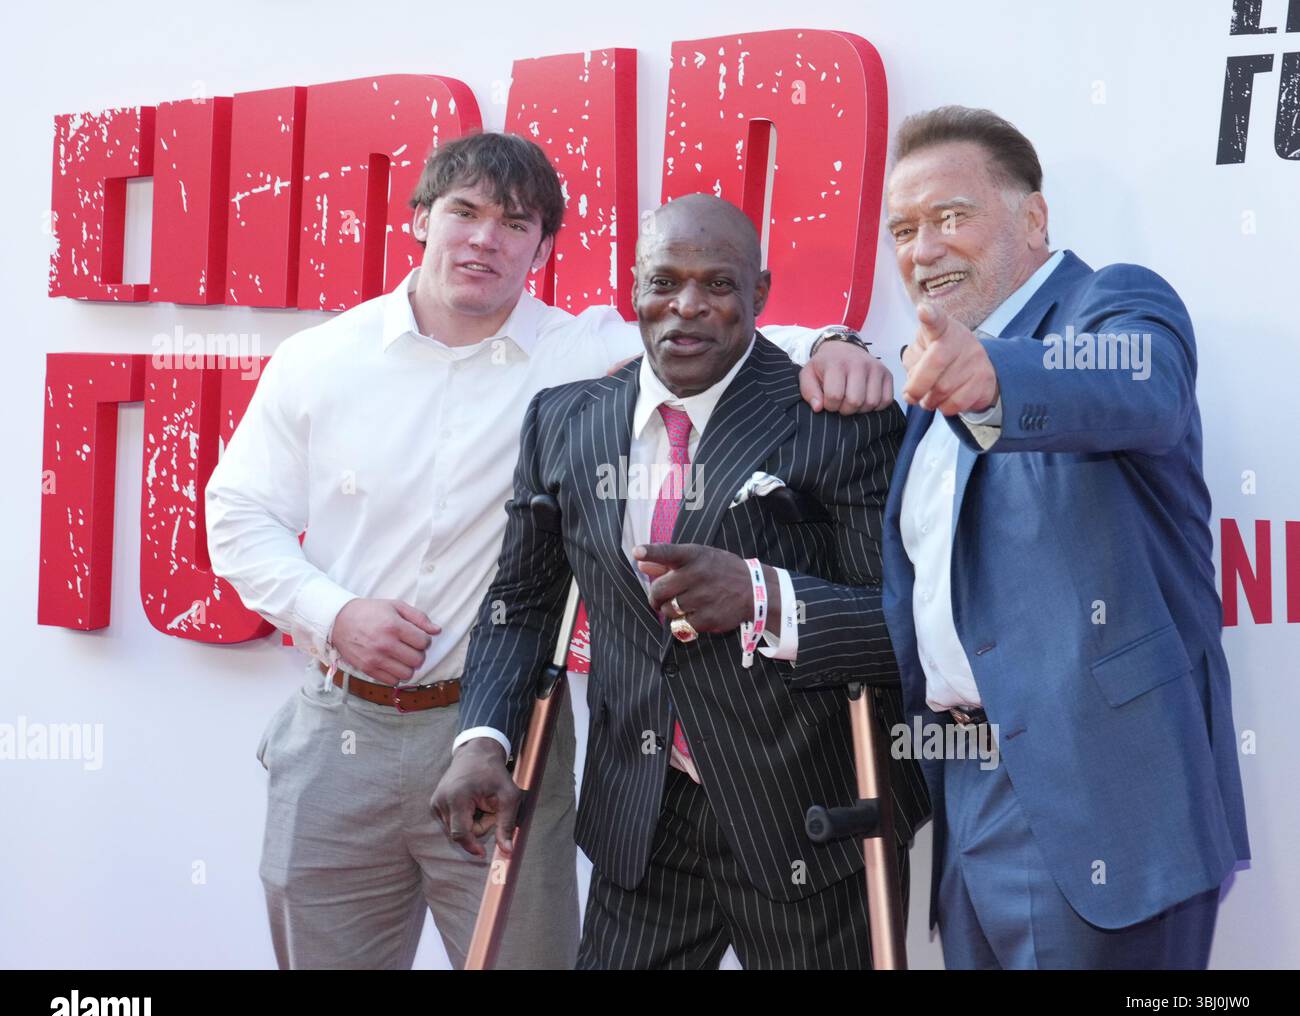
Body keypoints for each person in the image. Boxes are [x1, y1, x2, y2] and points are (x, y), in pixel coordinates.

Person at [205, 131, 895, 970]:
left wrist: (836, 342)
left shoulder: (574, 353)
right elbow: (239, 514)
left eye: (516, 222)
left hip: (501, 730)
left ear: (541, 246)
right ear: (420, 219)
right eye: (464, 212)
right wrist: (333, 612)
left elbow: (719, 314)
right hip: (336, 726)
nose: (486, 239)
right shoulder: (317, 360)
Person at [432, 193, 931, 970]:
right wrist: (481, 737)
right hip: (643, 824)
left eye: (720, 285)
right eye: (664, 281)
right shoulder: (566, 422)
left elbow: (907, 627)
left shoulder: (836, 418)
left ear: (760, 294)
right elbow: (522, 606)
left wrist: (765, 597)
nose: (687, 306)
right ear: (632, 286)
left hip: (808, 822)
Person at [880, 105, 1250, 969]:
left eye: (950, 217)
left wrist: (995, 374)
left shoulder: (1111, 305)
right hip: (967, 791)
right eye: (903, 229)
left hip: (1105, 802)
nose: (923, 248)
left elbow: (1143, 385)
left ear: (1034, 218)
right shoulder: (924, 392)